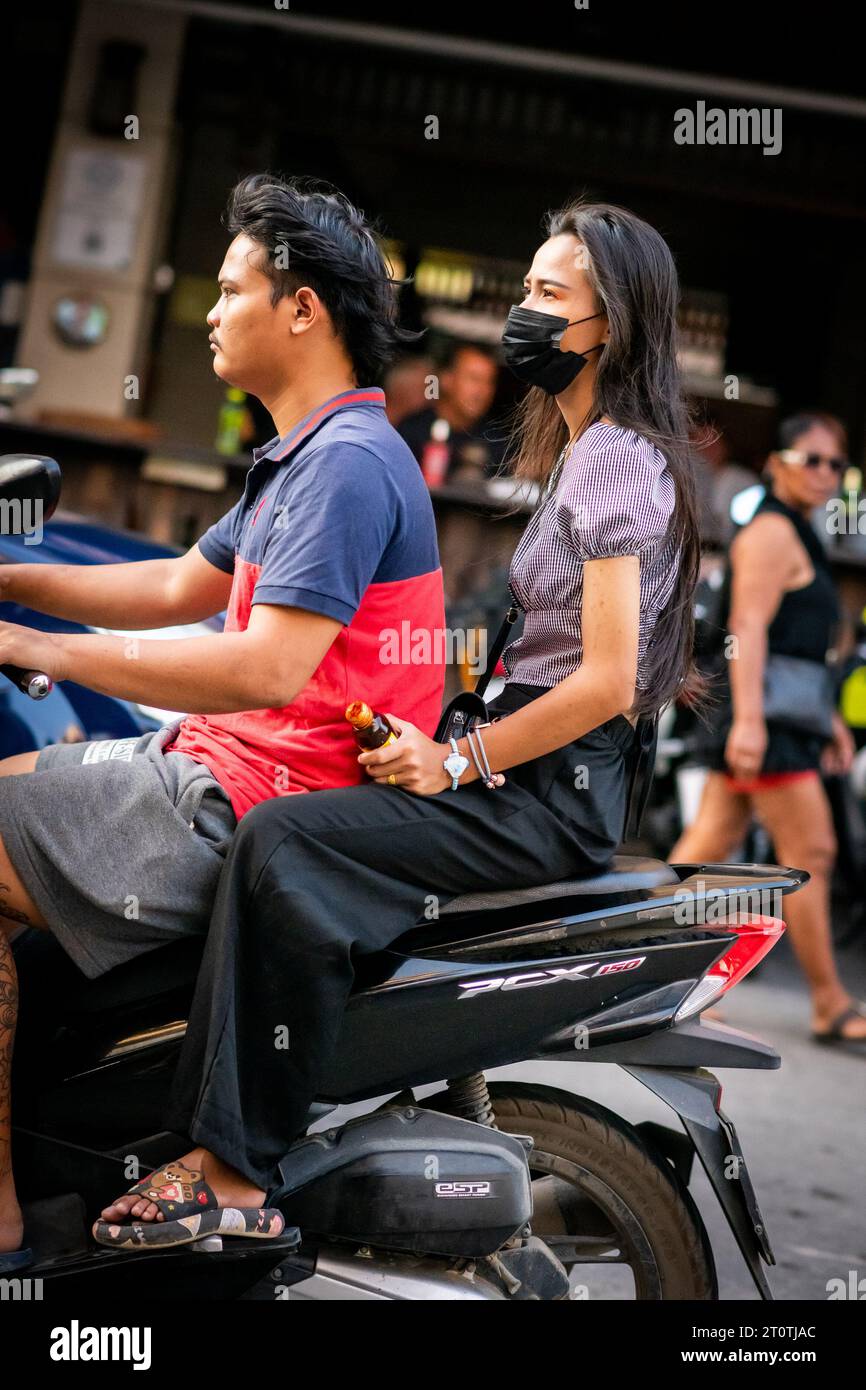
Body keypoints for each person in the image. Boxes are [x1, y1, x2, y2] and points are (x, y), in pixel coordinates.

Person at [95, 198, 703, 1251]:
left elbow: (604, 681)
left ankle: (233, 1167)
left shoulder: (612, 459)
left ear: (610, 326)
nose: (522, 314)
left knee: (285, 838)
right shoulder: (596, 447)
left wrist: (455, 755)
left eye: (547, 297)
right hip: (538, 773)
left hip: (546, 796)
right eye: (523, 290)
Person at [0, 173, 447, 1271]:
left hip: (236, 806)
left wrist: (40, 649)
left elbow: (262, 665)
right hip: (208, 771)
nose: (209, 309)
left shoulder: (344, 467)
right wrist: (13, 581)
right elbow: (171, 589)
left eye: (233, 286)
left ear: (302, 310)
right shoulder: (305, 454)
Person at [671, 411, 866, 1050]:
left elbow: (795, 647)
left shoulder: (800, 533)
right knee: (810, 854)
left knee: (708, 847)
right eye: (810, 459)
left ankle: (656, 971)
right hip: (764, 724)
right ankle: (831, 1003)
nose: (825, 474)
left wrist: (830, 720)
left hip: (781, 719)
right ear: (777, 462)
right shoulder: (772, 534)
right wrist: (751, 724)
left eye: (835, 464)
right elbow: (747, 631)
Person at [397, 340, 504, 480]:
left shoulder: (496, 440)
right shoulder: (412, 432)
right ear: (447, 379)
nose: (481, 391)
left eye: (489, 381)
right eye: (474, 379)